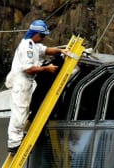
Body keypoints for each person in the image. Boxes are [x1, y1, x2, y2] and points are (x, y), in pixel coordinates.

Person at [5, 19, 68, 152]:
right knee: (20, 112)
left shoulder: (34, 45)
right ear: (36, 34)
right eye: (42, 36)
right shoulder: (27, 47)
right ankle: (14, 143)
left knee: (24, 111)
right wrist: (47, 69)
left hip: (26, 82)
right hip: (21, 82)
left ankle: (17, 139)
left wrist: (61, 51)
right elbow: (28, 69)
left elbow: (45, 50)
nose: (44, 38)